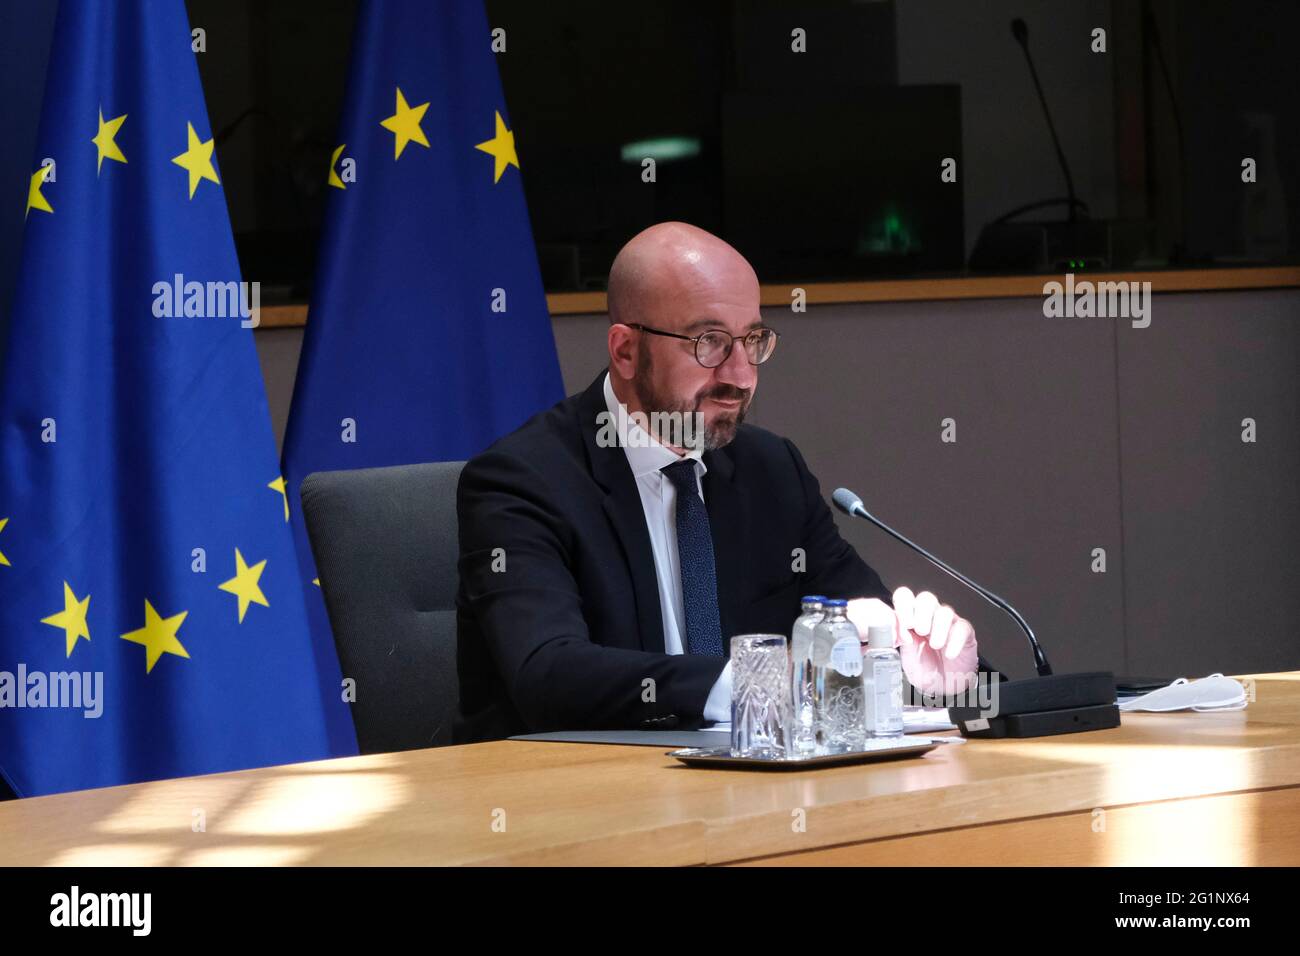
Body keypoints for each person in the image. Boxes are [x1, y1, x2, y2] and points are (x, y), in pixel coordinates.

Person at [454, 222, 989, 743]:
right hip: (576, 804)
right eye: (709, 342)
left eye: (752, 340)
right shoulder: (525, 479)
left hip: (756, 799)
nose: (741, 374)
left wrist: (921, 674)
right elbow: (546, 671)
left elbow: (859, 614)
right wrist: (753, 681)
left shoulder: (771, 471)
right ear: (625, 351)